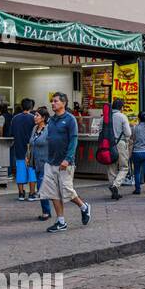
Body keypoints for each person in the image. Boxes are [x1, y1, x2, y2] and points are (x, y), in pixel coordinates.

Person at [40, 94, 91, 233]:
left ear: (63, 103)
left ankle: (84, 207)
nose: (53, 103)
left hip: (65, 163)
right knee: (53, 193)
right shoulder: (51, 120)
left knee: (67, 191)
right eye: (52, 101)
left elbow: (73, 140)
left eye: (56, 101)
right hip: (50, 162)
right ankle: (61, 222)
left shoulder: (70, 119)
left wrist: (68, 159)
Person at [27, 107, 53, 221]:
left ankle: (46, 212)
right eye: (35, 115)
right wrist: (27, 156)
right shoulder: (34, 128)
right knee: (41, 186)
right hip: (35, 162)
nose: (34, 117)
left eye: (37, 115)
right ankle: (46, 211)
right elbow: (30, 144)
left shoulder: (49, 129)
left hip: (46, 163)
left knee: (41, 186)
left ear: (43, 118)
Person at [105, 98, 133, 201]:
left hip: (107, 145)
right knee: (124, 167)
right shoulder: (122, 117)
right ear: (121, 107)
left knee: (111, 167)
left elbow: (99, 131)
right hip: (120, 143)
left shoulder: (105, 117)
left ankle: (113, 190)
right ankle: (115, 186)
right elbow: (128, 133)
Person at [9, 99, 36, 202]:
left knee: (20, 171)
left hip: (18, 148)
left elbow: (11, 133)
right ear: (31, 107)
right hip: (31, 150)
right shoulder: (34, 118)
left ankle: (21, 193)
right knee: (32, 171)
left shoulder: (15, 118)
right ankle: (32, 194)